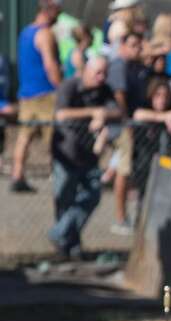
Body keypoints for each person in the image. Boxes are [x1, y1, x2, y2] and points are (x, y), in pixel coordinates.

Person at [48, 55, 120, 259]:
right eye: (98, 72)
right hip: (67, 154)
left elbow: (118, 112)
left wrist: (103, 115)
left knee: (92, 196)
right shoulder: (69, 86)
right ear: (86, 71)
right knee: (65, 199)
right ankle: (68, 246)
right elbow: (61, 114)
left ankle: (60, 234)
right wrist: (93, 112)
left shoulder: (104, 90)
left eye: (104, 73)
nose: (101, 77)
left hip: (90, 155)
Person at [11, 0, 63, 194]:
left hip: (26, 95)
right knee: (54, 138)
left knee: (24, 137)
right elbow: (50, 65)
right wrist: (61, 88)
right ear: (49, 10)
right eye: (58, 10)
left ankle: (18, 174)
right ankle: (60, 176)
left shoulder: (25, 32)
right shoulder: (45, 34)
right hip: (46, 95)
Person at [107, 30, 147, 235]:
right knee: (123, 170)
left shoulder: (137, 67)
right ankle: (120, 217)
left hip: (136, 127)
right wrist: (126, 122)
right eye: (133, 45)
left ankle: (135, 216)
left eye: (139, 45)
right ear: (122, 46)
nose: (138, 49)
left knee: (133, 171)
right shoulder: (119, 65)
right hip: (124, 127)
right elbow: (119, 94)